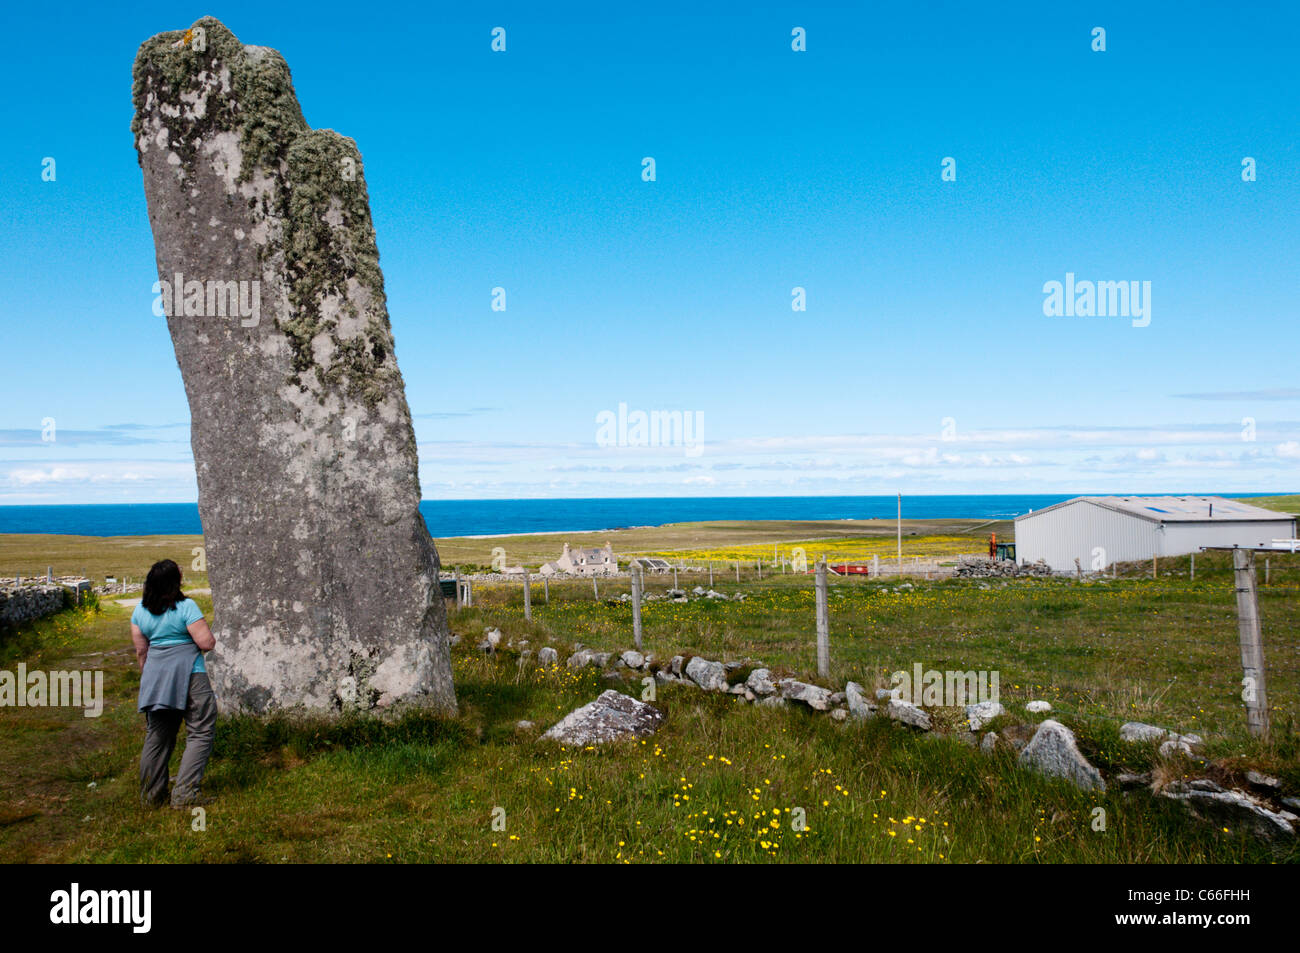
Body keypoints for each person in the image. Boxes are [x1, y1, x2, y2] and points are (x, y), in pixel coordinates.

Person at [131, 559, 217, 808]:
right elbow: (206, 643)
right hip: (190, 673)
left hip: (155, 677)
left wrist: (147, 679)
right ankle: (185, 794)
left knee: (157, 736)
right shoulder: (186, 606)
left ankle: (151, 796)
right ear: (174, 581)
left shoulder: (139, 611)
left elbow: (141, 651)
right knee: (201, 730)